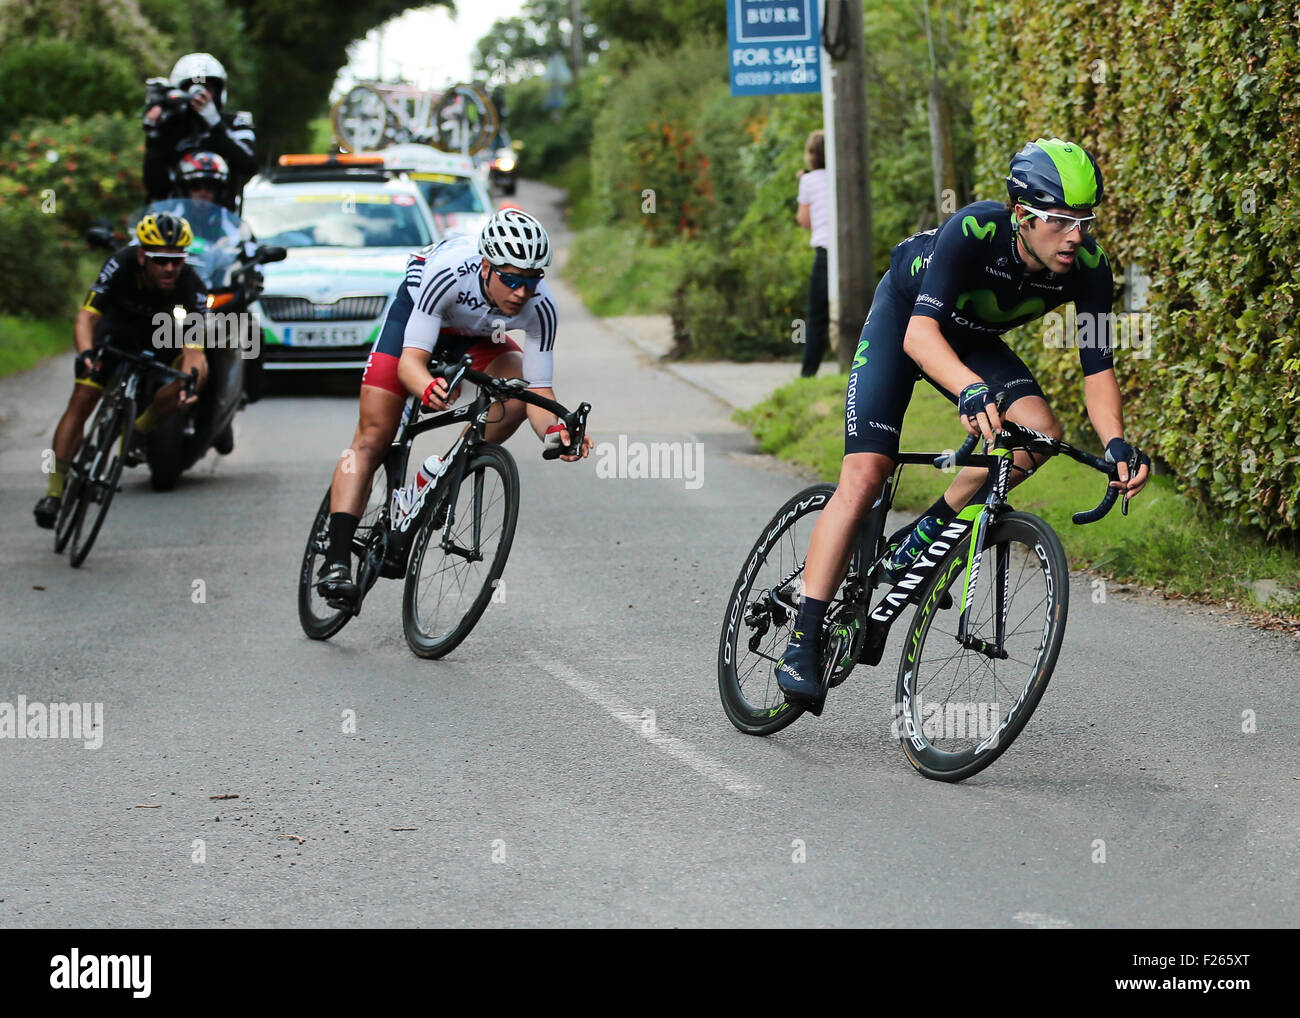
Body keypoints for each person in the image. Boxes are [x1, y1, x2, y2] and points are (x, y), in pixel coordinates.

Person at [774, 137, 1152, 712]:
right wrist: (970, 389)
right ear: (1022, 216)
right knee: (867, 472)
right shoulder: (974, 231)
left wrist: (1117, 444)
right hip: (908, 319)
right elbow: (920, 337)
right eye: (1059, 220)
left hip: (972, 339)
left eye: (1084, 219)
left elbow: (1097, 368)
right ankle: (804, 632)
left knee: (1039, 436)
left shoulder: (1090, 269)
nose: (1075, 234)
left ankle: (930, 530)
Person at [315, 208, 593, 606]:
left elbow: (540, 389)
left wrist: (556, 431)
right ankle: (337, 560)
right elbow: (411, 361)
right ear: (487, 265)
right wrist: (428, 388)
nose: (521, 292)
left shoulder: (540, 306)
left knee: (516, 390)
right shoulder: (448, 272)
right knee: (374, 436)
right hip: (417, 323)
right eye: (511, 280)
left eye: (531, 281)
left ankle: (440, 474)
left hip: (479, 337)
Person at [33, 213, 209, 528]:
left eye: (176, 260)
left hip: (161, 341)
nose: (169, 268)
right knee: (83, 397)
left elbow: (194, 349)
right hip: (116, 336)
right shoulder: (121, 264)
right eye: (159, 260)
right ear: (142, 255)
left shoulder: (192, 284)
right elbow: (86, 316)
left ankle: (139, 430)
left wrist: (190, 383)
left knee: (198, 373)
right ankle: (54, 493)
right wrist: (85, 351)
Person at [143, 53, 256, 212]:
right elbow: (155, 186)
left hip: (224, 223)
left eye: (208, 88)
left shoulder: (234, 123)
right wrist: (154, 132)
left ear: (218, 93)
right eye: (194, 88)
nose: (201, 96)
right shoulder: (171, 128)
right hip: (177, 223)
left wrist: (215, 124)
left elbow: (249, 166)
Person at [796, 129, 830, 377]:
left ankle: (809, 371)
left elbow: (804, 220)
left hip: (824, 253)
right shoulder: (842, 177)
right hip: (847, 255)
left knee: (816, 317)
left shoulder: (807, 181)